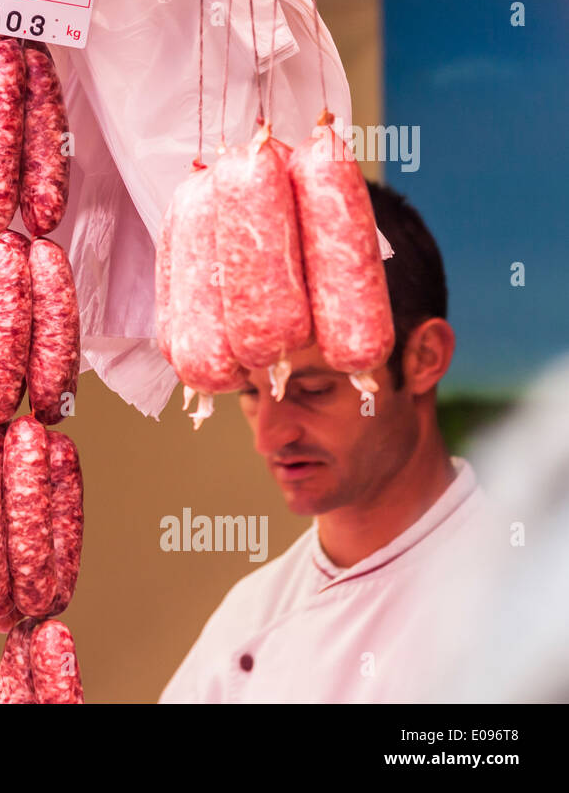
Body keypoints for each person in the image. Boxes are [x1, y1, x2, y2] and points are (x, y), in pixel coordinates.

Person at [159, 180, 503, 703]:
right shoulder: (248, 619)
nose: (270, 436)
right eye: (250, 394)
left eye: (313, 390)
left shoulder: (528, 594)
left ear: (424, 358)